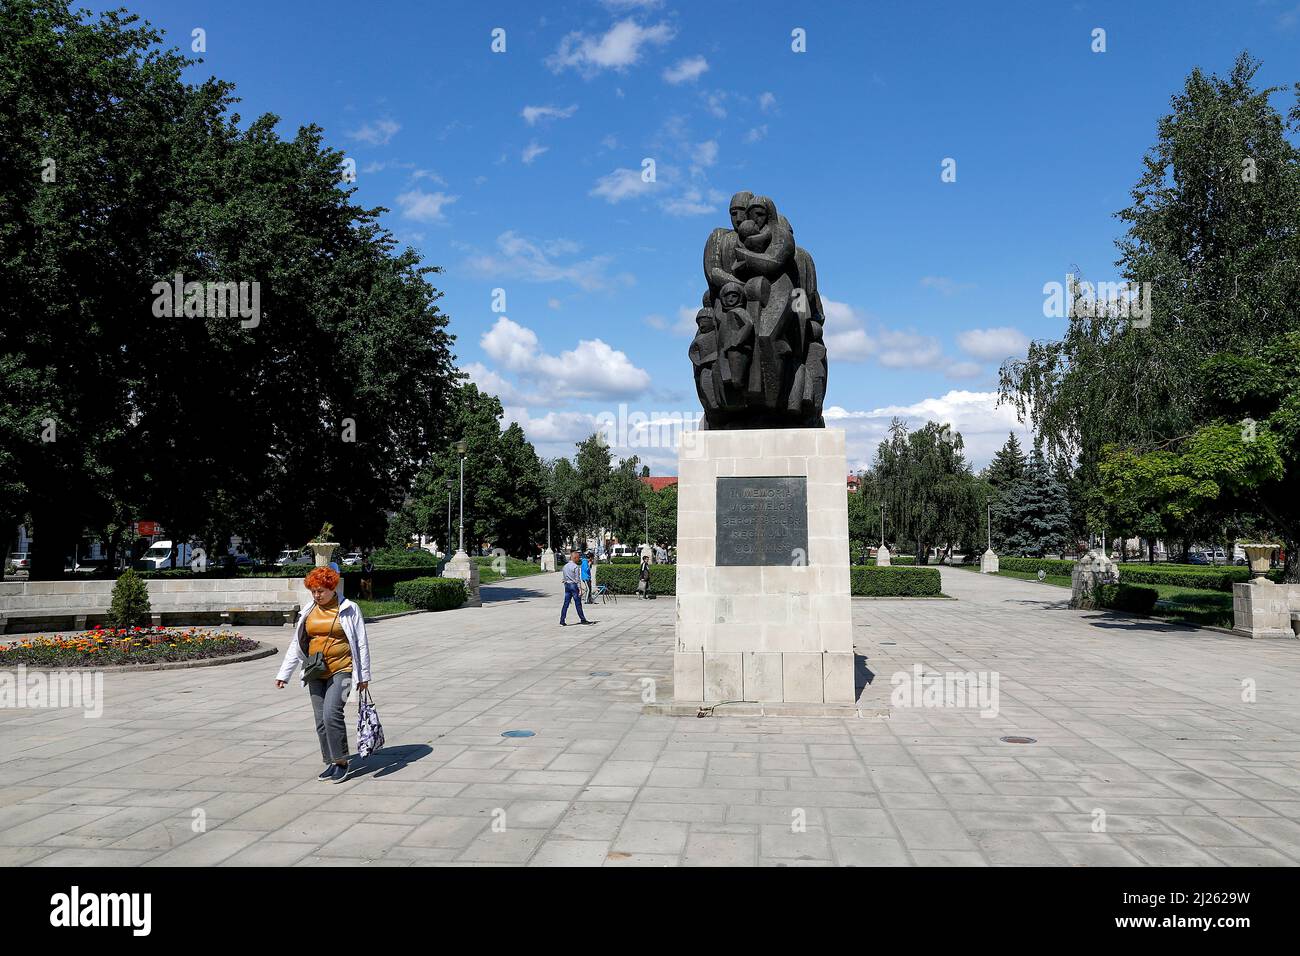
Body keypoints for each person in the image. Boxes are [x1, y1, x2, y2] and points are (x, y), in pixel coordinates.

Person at [275, 567, 371, 783]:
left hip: (343, 669)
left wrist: (363, 675)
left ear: (332, 587)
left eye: (321, 591)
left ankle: (341, 762)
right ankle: (330, 761)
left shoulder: (349, 608)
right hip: (315, 671)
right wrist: (284, 674)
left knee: (331, 713)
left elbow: (361, 642)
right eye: (313, 591)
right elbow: (296, 644)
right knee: (320, 720)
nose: (317, 595)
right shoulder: (309, 610)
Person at [561, 551, 591, 626]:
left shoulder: (565, 566)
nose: (579, 559)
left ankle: (562, 620)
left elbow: (564, 578)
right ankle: (583, 619)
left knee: (566, 603)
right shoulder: (575, 567)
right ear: (575, 558)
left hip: (567, 586)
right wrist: (580, 589)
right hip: (573, 586)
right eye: (578, 558)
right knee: (578, 603)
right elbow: (577, 579)